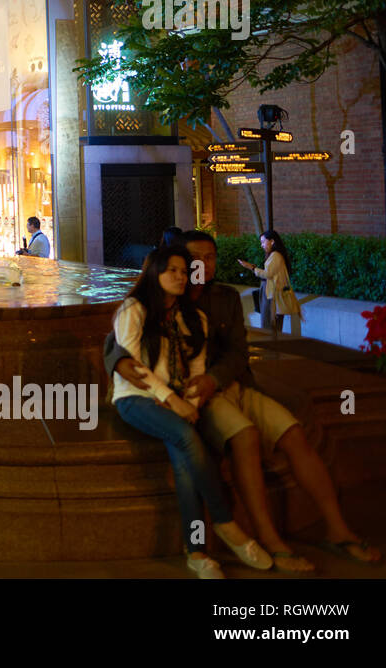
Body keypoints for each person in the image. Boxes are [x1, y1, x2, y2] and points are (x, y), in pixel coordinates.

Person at [112, 230, 378, 570]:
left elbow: (238, 352)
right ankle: (264, 538)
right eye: (193, 260)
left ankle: (338, 530)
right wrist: (119, 362)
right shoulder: (164, 298)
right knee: (242, 437)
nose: (201, 266)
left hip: (229, 385)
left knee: (294, 432)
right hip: (194, 396)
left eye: (210, 258)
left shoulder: (221, 299)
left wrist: (210, 380)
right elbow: (121, 340)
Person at [111, 245, 271, 578]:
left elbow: (197, 371)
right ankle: (227, 523)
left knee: (185, 466)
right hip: (136, 398)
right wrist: (173, 401)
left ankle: (197, 553)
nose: (181, 277)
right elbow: (132, 366)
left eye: (184, 271)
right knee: (186, 437)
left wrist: (192, 406)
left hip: (179, 402)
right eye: (172, 270)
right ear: (154, 273)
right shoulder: (134, 309)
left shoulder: (194, 318)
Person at [239, 230, 302, 334]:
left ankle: (272, 347)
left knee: (270, 325)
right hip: (270, 293)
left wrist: (252, 267)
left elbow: (268, 274)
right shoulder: (274, 255)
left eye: (263, 242)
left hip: (272, 296)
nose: (262, 245)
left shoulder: (276, 256)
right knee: (270, 325)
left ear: (272, 241)